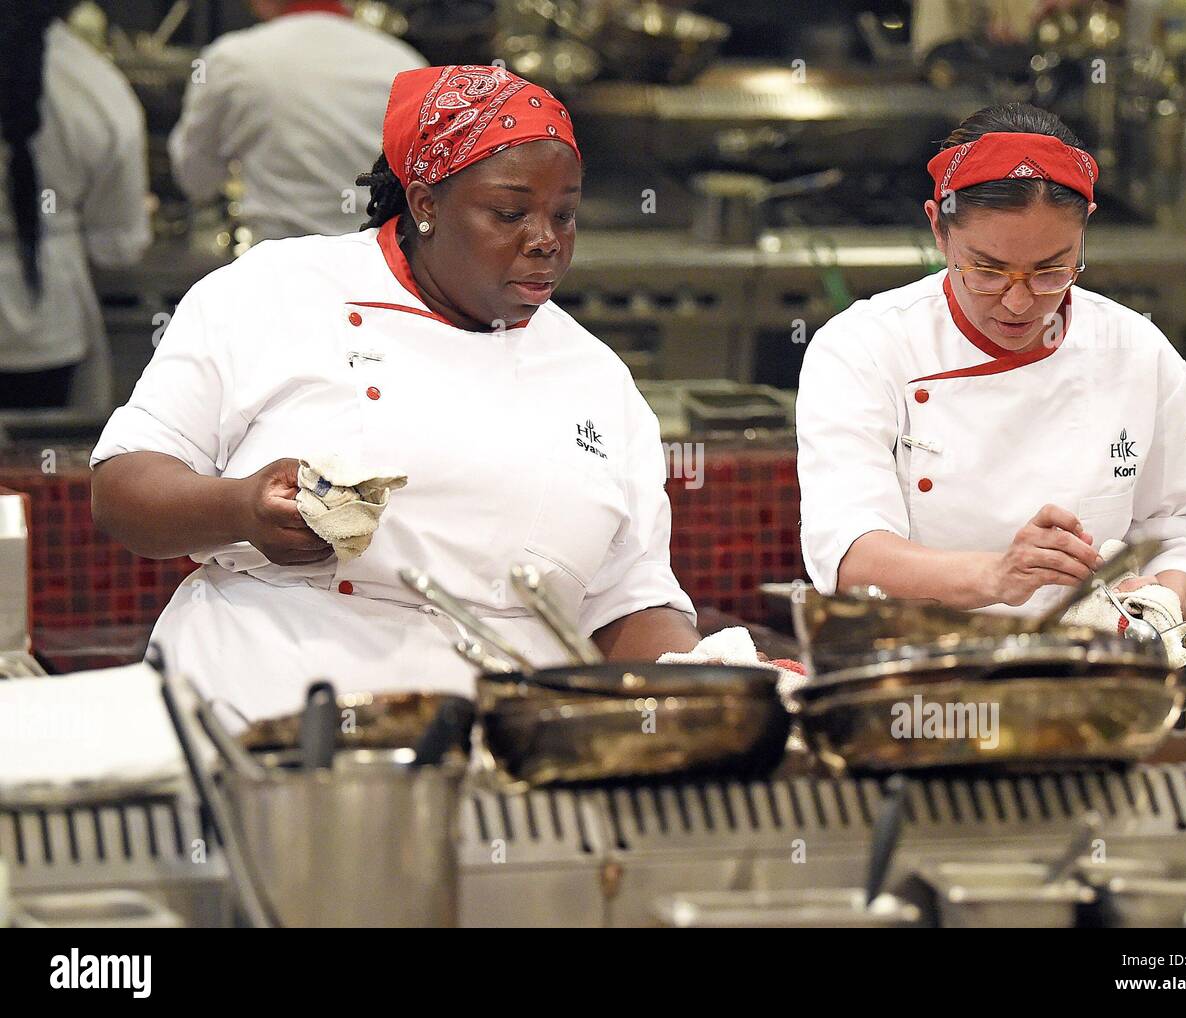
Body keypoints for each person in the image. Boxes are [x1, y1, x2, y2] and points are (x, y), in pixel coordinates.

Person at [91, 65, 701, 721]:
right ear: (424, 204)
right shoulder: (277, 290)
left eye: (565, 215)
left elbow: (629, 603)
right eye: (510, 212)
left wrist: (707, 682)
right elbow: (123, 487)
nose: (545, 240)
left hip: (499, 751)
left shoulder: (595, 376)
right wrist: (241, 508)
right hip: (259, 719)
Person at [797, 103, 1186, 619]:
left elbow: (1179, 535)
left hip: (1090, 677)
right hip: (916, 676)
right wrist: (999, 575)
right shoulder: (863, 348)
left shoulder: (1139, 353)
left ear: (1085, 229)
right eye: (987, 270)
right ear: (939, 230)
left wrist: (1160, 605)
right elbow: (851, 556)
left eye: (1051, 270)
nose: (1019, 302)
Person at [168, 0, 426, 242]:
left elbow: (196, 178)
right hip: (383, 268)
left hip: (276, 271)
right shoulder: (404, 62)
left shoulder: (233, 58)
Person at [0, 1, 149, 412]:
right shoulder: (93, 83)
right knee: (30, 472)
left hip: (49, 330)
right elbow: (117, 245)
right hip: (47, 331)